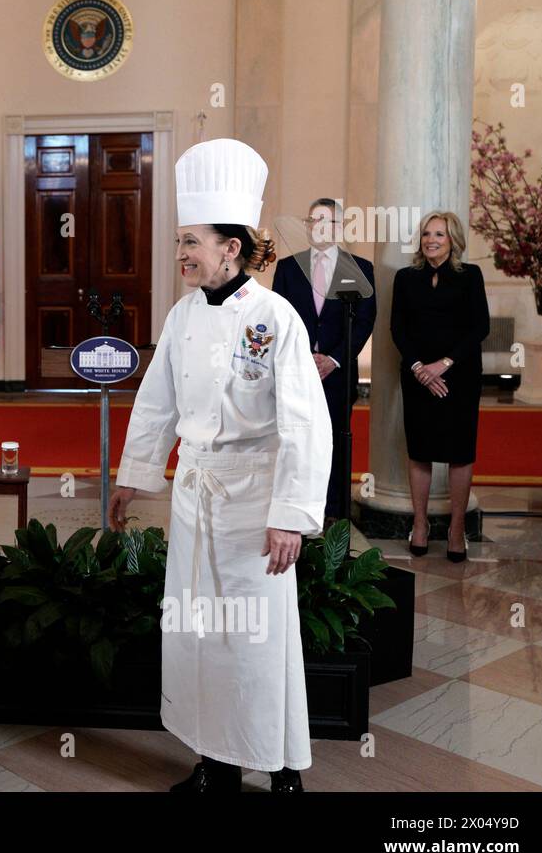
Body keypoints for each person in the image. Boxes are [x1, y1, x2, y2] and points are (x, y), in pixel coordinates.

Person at [107, 138, 332, 793]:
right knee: (199, 634)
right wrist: (133, 476)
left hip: (256, 503)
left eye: (191, 242)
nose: (181, 253)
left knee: (256, 639)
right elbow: (157, 403)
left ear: (231, 248)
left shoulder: (274, 318)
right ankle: (215, 763)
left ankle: (282, 768)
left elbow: (304, 423)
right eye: (180, 242)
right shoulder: (181, 315)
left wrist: (290, 516)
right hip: (195, 496)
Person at [389, 211, 490, 563]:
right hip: (418, 375)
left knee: (460, 452)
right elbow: (398, 328)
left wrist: (443, 365)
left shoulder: (470, 276)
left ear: (453, 240)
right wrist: (420, 368)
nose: (431, 240)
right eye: (427, 234)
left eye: (439, 235)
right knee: (420, 450)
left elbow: (480, 327)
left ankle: (456, 529)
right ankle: (420, 524)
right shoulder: (405, 278)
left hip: (460, 376)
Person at [272, 198, 376, 519]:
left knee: (335, 441)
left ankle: (333, 511)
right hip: (296, 372)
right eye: (312, 220)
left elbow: (364, 321)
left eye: (325, 221)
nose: (317, 227)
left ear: (339, 227)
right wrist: (301, 359)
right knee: (296, 440)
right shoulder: (288, 268)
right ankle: (295, 507)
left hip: (338, 374)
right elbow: (278, 318)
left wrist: (334, 359)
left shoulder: (359, 269)